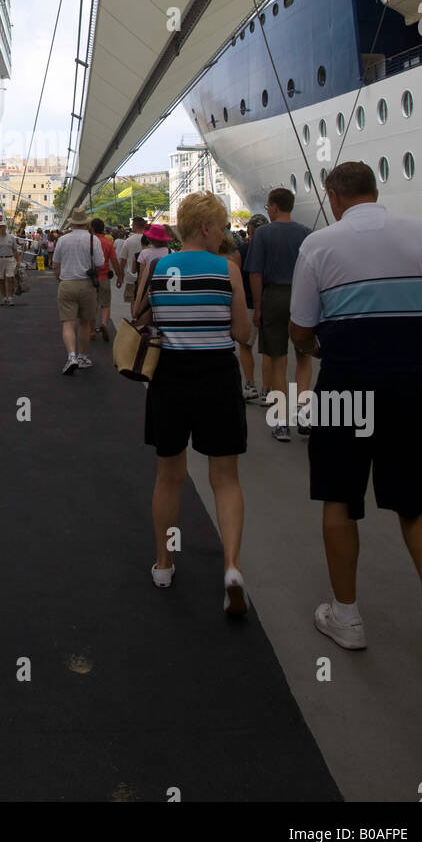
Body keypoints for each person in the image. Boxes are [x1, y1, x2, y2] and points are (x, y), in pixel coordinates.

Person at [289, 161, 422, 668]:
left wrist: (321, 348)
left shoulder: (318, 246)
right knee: (417, 500)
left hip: (347, 386)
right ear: (375, 190)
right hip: (412, 384)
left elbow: (300, 330)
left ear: (333, 195)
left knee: (340, 497)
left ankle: (347, 617)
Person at [134, 192, 251, 612]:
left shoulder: (160, 266)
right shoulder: (228, 270)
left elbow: (140, 316)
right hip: (217, 377)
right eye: (221, 226)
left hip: (171, 378)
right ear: (206, 227)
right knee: (226, 477)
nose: (224, 235)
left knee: (169, 474)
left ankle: (164, 562)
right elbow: (243, 333)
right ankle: (232, 568)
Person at [246, 187, 312, 441]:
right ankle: (304, 412)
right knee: (304, 356)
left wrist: (259, 307)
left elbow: (255, 273)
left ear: (273, 206)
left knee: (277, 359)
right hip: (302, 296)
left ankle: (282, 421)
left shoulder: (263, 234)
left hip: (274, 296)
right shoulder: (306, 233)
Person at [53, 207, 99, 374]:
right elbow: (100, 263)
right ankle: (82, 356)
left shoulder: (63, 240)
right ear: (86, 223)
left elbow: (56, 264)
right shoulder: (93, 240)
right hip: (87, 284)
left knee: (67, 322)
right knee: (85, 323)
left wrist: (59, 279)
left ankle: (70, 356)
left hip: (67, 283)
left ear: (72, 223)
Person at [234, 214, 268, 402]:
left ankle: (249, 384)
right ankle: (267, 389)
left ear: (250, 230)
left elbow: (236, 277)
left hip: (247, 302)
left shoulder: (243, 249)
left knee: (246, 346)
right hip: (270, 301)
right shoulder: (273, 249)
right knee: (270, 351)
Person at [90, 217, 122, 341]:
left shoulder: (89, 242)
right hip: (104, 277)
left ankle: (91, 331)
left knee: (92, 305)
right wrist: (120, 276)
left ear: (92, 229)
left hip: (91, 278)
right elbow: (114, 261)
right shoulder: (108, 243)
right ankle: (103, 324)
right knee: (105, 304)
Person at [131, 223, 172, 313]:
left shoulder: (144, 253)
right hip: (165, 291)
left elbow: (141, 278)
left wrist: (138, 300)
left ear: (150, 239)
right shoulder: (171, 252)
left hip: (148, 293)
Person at [118, 216, 147, 305]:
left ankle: (134, 318)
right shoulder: (149, 239)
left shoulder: (128, 241)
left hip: (131, 276)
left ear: (134, 226)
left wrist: (120, 275)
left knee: (132, 301)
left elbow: (123, 260)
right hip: (146, 276)